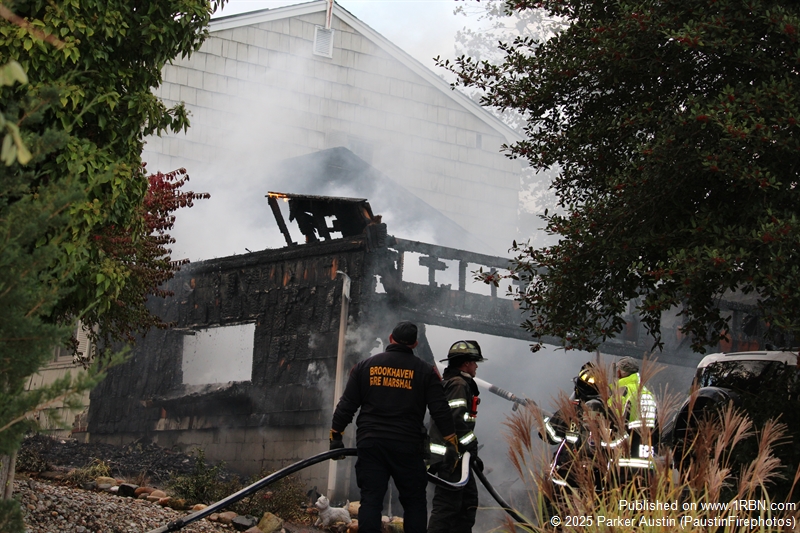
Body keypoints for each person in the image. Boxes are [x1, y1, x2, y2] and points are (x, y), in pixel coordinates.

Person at [330, 322, 459, 533]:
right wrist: (451, 442)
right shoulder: (425, 372)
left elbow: (347, 405)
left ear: (391, 338)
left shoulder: (364, 367)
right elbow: (440, 410)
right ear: (415, 344)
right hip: (407, 446)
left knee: (371, 500)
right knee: (414, 502)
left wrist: (336, 437)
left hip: (371, 444)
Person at [427, 340, 486, 533]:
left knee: (467, 504)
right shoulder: (458, 385)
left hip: (458, 458)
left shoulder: (456, 383)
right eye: (475, 362)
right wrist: (472, 445)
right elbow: (455, 420)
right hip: (451, 457)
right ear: (466, 363)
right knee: (447, 507)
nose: (476, 366)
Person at [606, 357, 658, 473]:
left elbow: (612, 417)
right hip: (646, 457)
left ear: (621, 372)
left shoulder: (623, 390)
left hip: (626, 458)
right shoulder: (646, 392)